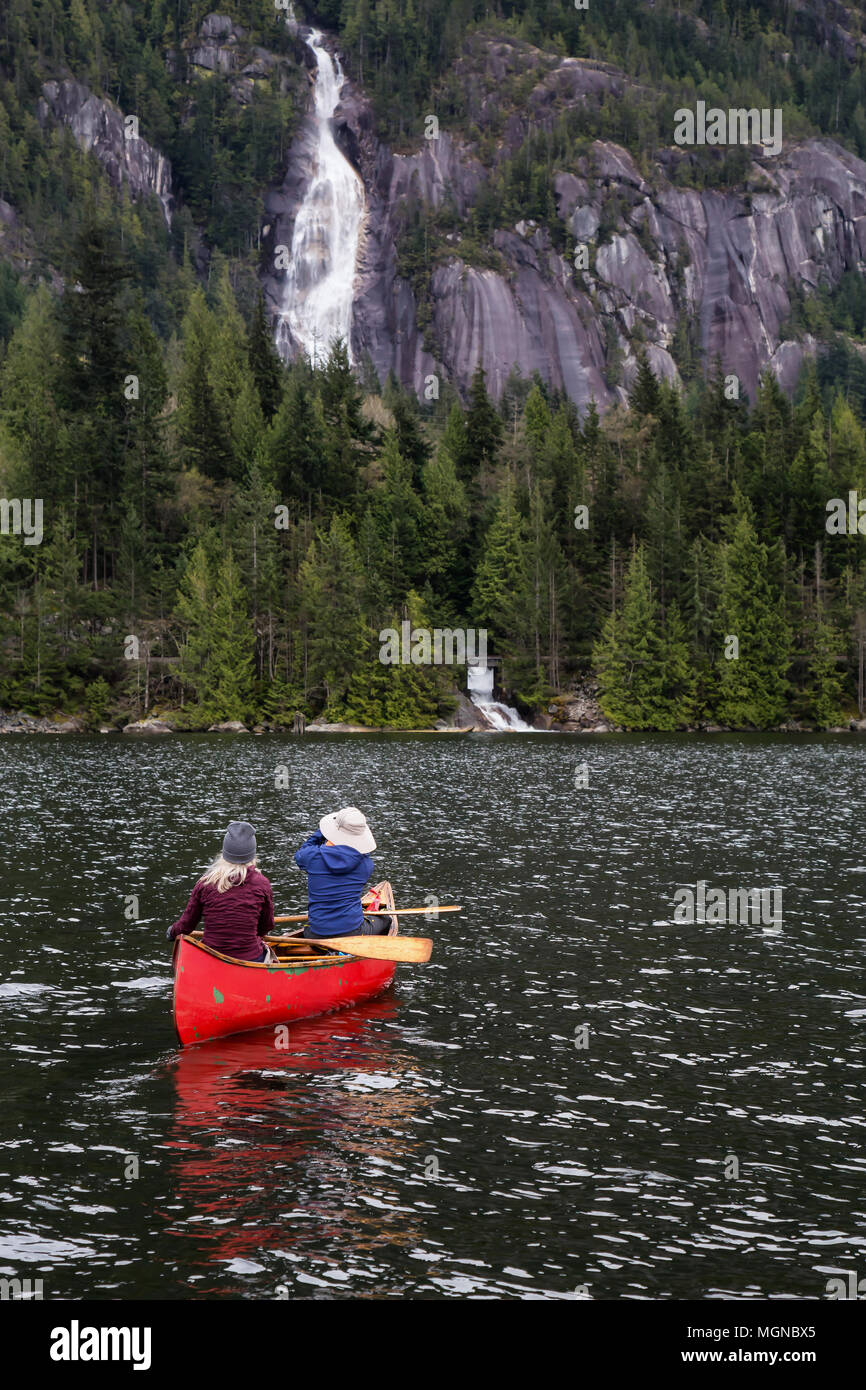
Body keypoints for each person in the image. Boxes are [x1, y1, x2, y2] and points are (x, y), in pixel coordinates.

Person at [167, 821, 276, 962]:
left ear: (224, 853)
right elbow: (267, 926)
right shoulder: (262, 884)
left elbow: (186, 926)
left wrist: (171, 932)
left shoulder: (205, 883)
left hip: (211, 957)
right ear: (252, 854)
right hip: (250, 958)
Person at [294, 807, 393, 939]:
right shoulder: (366, 865)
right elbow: (360, 853)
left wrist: (323, 833)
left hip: (315, 933)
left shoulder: (311, 857)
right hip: (351, 932)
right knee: (386, 919)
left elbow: (303, 850)